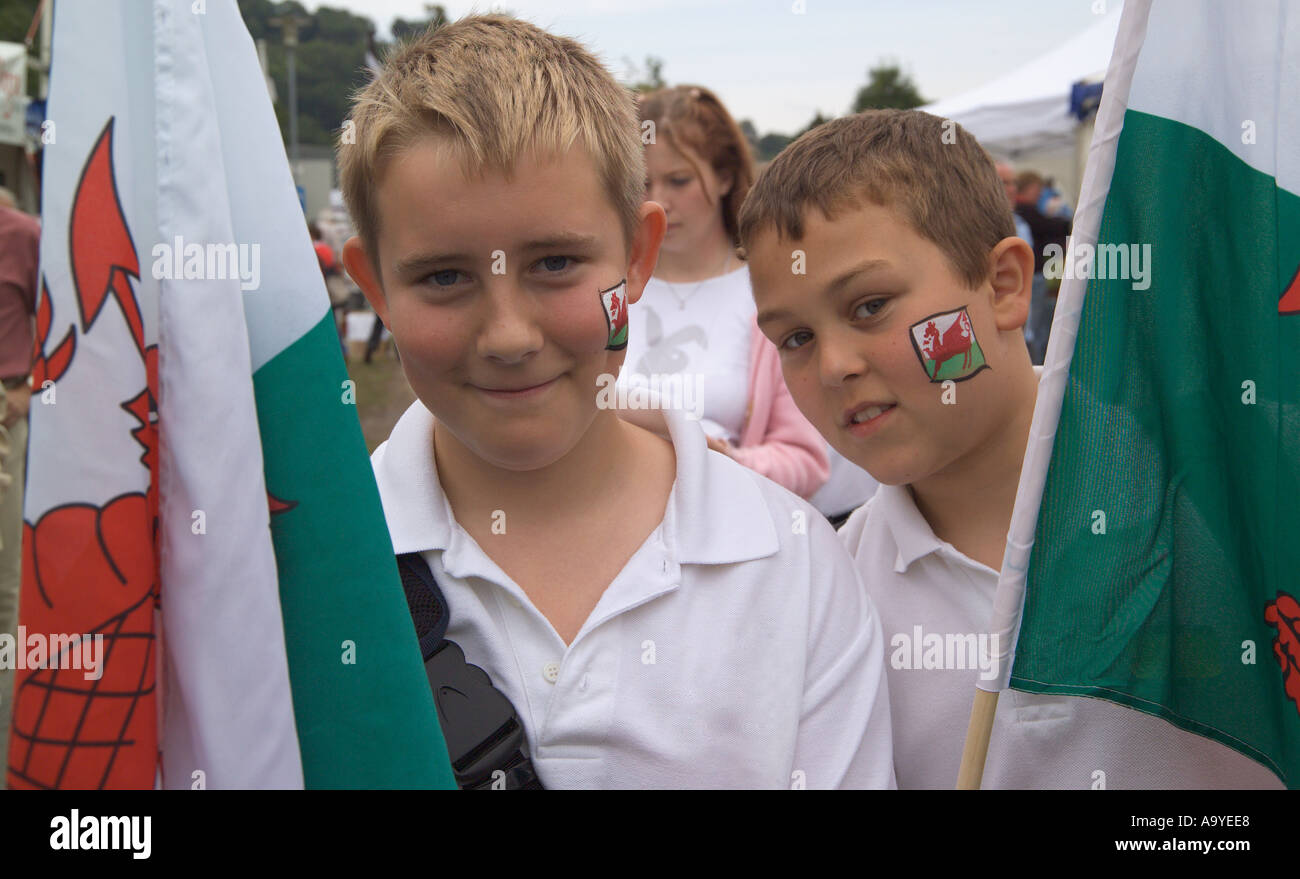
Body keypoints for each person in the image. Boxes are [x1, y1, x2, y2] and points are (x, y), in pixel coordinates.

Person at [338, 14, 893, 789]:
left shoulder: (793, 565)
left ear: (638, 257)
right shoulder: (315, 566)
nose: (508, 335)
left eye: (555, 262)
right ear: (375, 288)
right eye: (443, 277)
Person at [739, 109, 1281, 789]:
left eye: (870, 305)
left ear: (1003, 286)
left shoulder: (1214, 497)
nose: (833, 365)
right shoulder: (832, 594)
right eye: (794, 338)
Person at [623, 85, 828, 500]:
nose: (659, 201)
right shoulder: (605, 290)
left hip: (734, 532)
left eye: (679, 180)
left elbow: (805, 460)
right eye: (643, 183)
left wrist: (719, 463)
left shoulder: (774, 295)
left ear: (725, 176)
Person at [0, 200, 38, 787]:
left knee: (9, 595)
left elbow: (70, 323)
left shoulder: (23, 235)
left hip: (5, 419)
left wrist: (30, 390)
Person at [1013, 170, 1070, 365]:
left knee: (1034, 328)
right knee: (1033, 330)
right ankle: (1035, 367)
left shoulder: (1024, 213)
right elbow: (1051, 226)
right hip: (1034, 275)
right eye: (1037, 189)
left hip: (1035, 275)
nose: (1039, 193)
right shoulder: (1025, 211)